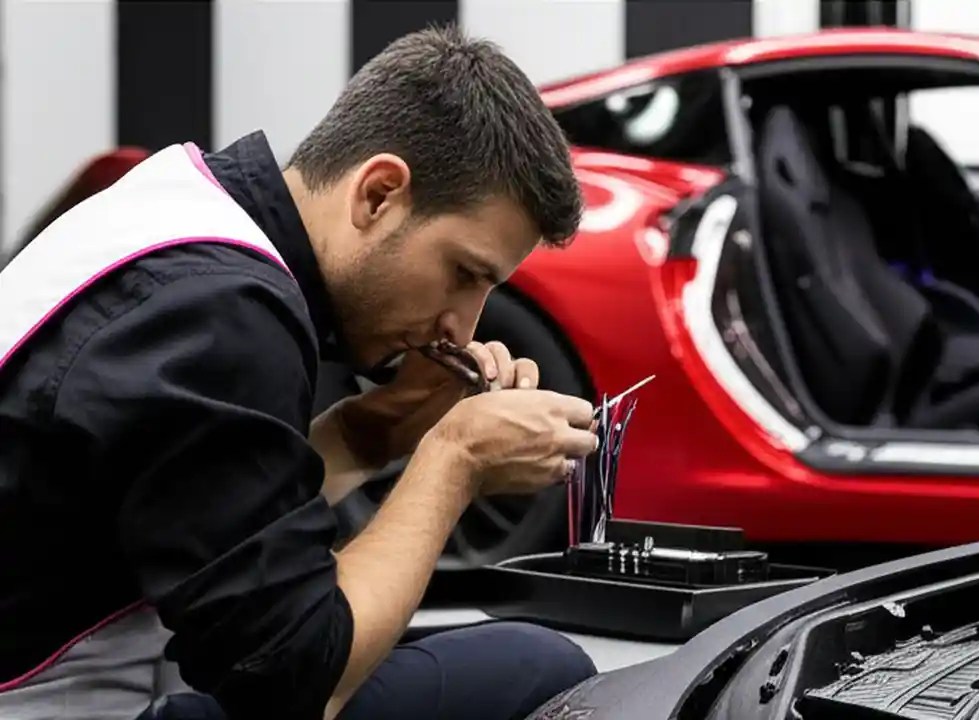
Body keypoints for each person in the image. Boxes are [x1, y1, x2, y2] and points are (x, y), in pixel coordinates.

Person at [0, 25, 600, 720]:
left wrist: (377, 431)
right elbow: (296, 681)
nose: (461, 329)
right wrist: (454, 458)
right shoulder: (222, 313)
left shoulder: (182, 211)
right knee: (535, 666)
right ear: (378, 194)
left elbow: (209, 514)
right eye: (463, 274)